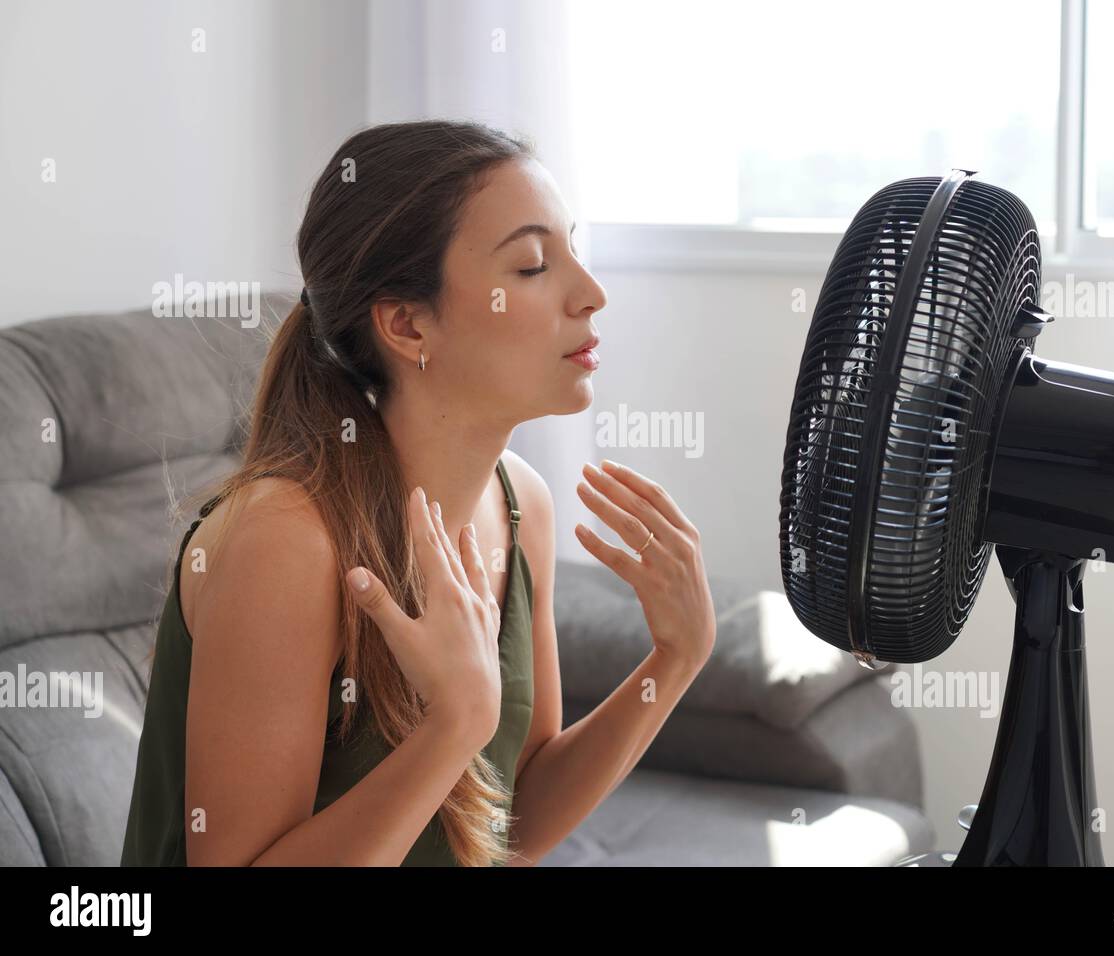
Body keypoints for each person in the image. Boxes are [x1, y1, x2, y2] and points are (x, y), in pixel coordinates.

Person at [120, 119, 717, 867]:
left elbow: (513, 821)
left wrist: (676, 658)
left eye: (572, 250)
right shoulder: (283, 543)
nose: (590, 294)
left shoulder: (519, 504)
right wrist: (453, 728)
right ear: (407, 324)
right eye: (532, 266)